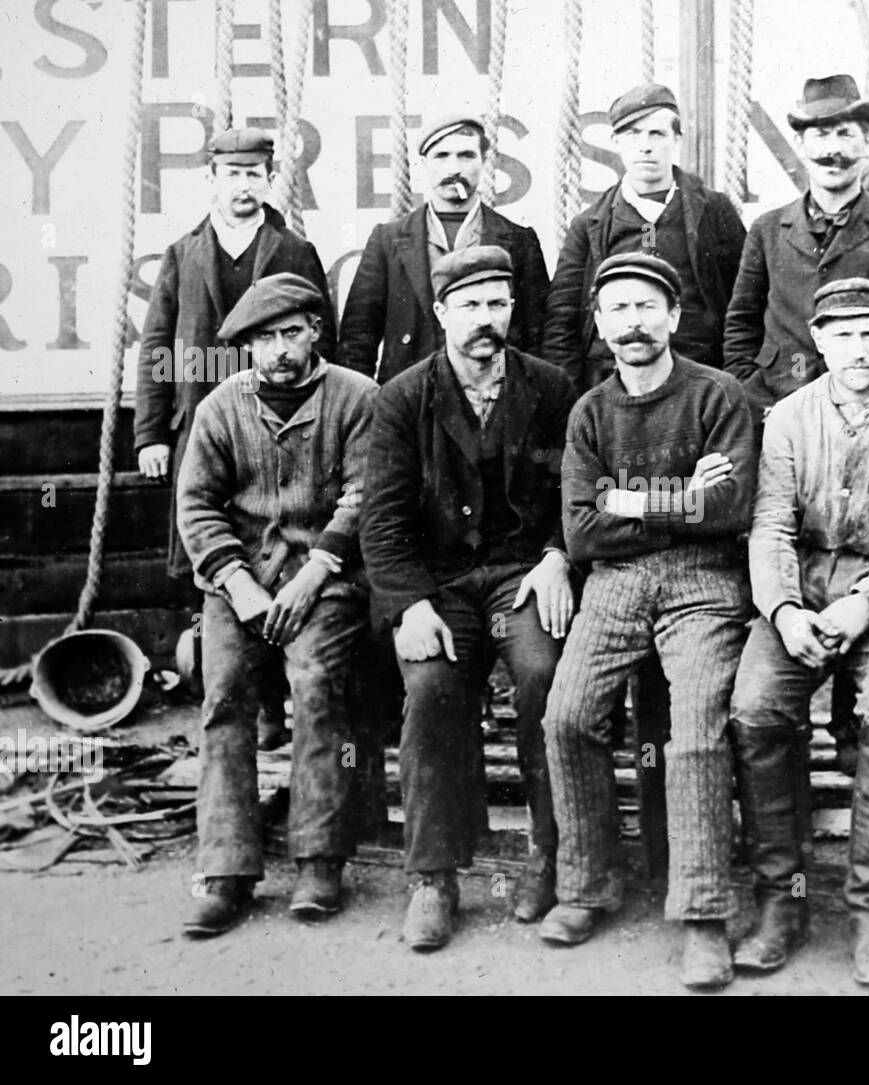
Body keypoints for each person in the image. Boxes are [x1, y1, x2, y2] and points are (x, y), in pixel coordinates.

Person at [731, 278, 869, 987]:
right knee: (756, 710)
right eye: (842, 333)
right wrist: (784, 610)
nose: (856, 348)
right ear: (818, 340)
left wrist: (867, 603)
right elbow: (769, 525)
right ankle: (782, 900)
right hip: (802, 590)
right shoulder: (788, 419)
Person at [537, 253, 755, 990]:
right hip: (615, 581)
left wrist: (628, 501)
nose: (632, 323)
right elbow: (581, 533)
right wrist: (677, 501)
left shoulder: (717, 395)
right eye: (617, 311)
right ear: (599, 326)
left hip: (706, 581)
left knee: (694, 729)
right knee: (566, 716)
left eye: (645, 307)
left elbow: (728, 510)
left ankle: (702, 914)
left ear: (673, 316)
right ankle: (585, 884)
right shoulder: (591, 411)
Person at [359, 246, 578, 951]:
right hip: (439, 582)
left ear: (513, 309)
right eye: (471, 305)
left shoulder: (549, 388)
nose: (485, 319)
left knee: (544, 675)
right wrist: (409, 604)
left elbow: (575, 493)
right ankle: (432, 874)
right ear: (442, 312)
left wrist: (555, 556)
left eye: (497, 303)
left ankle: (548, 854)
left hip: (521, 572)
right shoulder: (400, 396)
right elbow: (383, 518)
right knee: (429, 689)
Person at [175, 273, 376, 937]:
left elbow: (362, 495)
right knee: (225, 695)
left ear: (315, 330)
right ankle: (227, 867)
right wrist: (241, 587)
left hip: (328, 579)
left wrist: (313, 574)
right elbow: (198, 505)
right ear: (247, 346)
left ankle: (320, 857)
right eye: (265, 338)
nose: (280, 350)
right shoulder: (220, 409)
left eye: (292, 332)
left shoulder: (356, 397)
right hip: (240, 585)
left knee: (317, 685)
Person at [135, 127, 336, 751]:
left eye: (254, 174)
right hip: (205, 429)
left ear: (269, 180)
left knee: (282, 554)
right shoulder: (182, 253)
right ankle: (250, 704)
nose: (243, 185)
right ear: (213, 180)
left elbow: (318, 340)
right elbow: (157, 345)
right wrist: (152, 432)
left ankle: (278, 707)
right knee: (220, 565)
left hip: (281, 432)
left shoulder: (294, 248)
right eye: (231, 174)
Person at [722, 74, 869, 419]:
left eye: (845, 134)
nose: (833, 151)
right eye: (821, 134)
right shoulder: (766, 230)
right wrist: (755, 394)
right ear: (800, 144)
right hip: (781, 406)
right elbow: (741, 325)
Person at [543, 83, 747, 390]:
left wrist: (735, 386)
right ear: (615, 141)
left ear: (676, 139)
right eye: (633, 134)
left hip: (700, 378)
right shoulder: (589, 225)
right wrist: (568, 398)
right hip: (613, 380)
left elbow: (743, 306)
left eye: (657, 134)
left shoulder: (715, 212)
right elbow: (562, 321)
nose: (645, 146)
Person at [337, 112, 550, 385]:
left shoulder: (519, 240)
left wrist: (506, 393)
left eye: (466, 155)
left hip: (492, 391)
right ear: (424, 164)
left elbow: (533, 338)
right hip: (409, 396)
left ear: (484, 162)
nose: (453, 169)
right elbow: (358, 340)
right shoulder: (387, 240)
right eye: (441, 156)